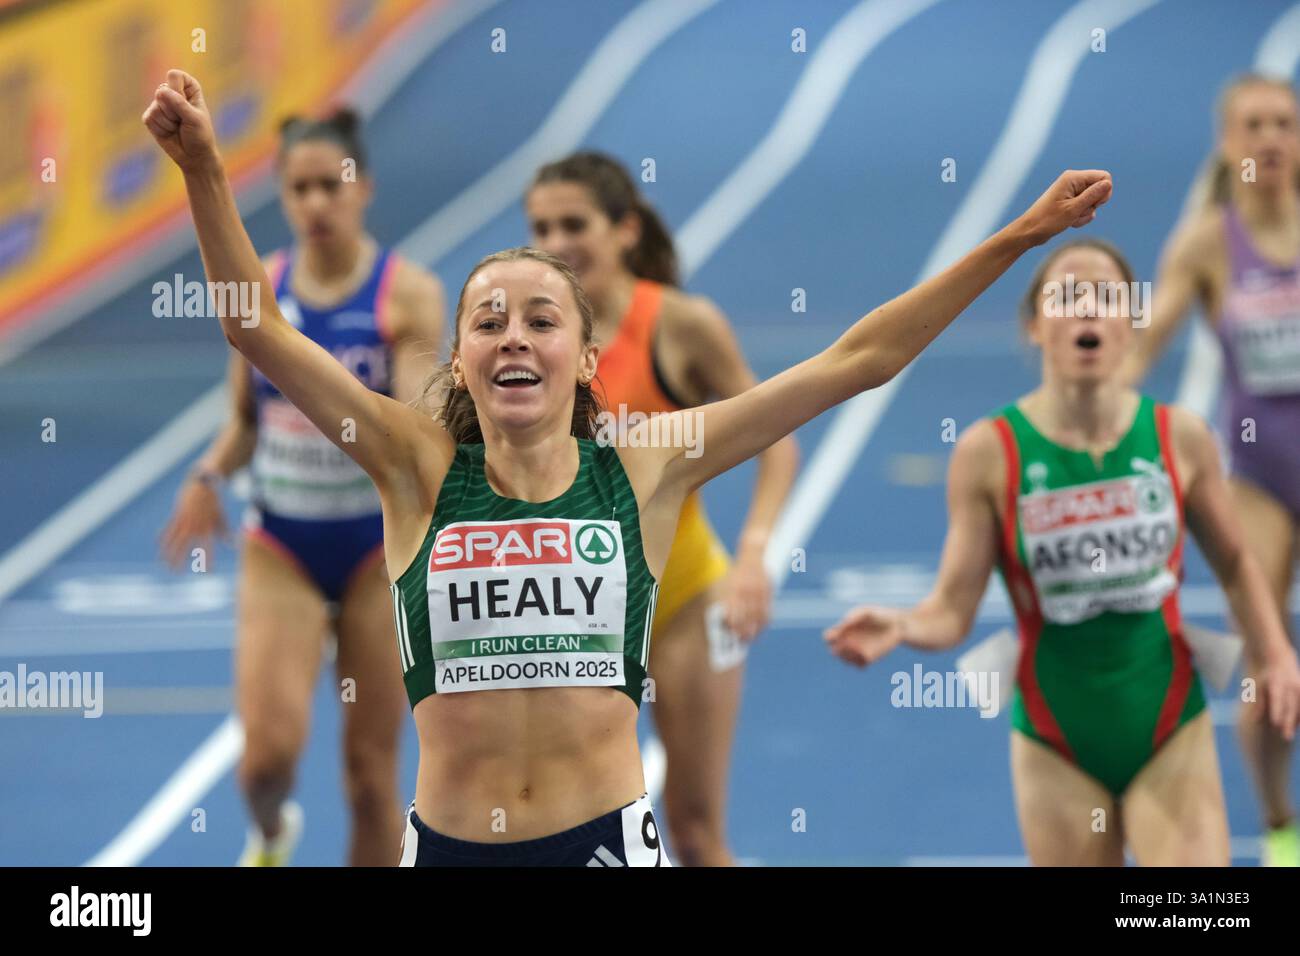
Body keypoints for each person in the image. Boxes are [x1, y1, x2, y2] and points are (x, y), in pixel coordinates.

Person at [144, 67, 1112, 866]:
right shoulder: (414, 465)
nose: (512, 337)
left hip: (605, 844)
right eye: (487, 321)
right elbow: (253, 323)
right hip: (447, 845)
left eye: (539, 319)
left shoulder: (645, 463)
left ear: (586, 356)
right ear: (460, 359)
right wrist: (205, 173)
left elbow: (857, 361)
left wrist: (1018, 238)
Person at [827, 238, 1300, 866]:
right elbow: (952, 611)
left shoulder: (1180, 438)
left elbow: (1238, 563)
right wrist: (904, 622)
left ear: (1131, 327)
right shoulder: (988, 453)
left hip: (1167, 722)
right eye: (1068, 296)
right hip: (1056, 738)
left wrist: (1273, 653)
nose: (1088, 310)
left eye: (1107, 297)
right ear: (1034, 327)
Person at [159, 108, 445, 865]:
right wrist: (207, 473)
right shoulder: (267, 290)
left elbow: (414, 431)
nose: (317, 203)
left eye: (333, 185)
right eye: (300, 189)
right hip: (282, 539)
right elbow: (247, 418)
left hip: (373, 551)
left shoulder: (405, 295)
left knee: (369, 776)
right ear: (282, 198)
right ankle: (272, 833)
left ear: (365, 189)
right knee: (265, 761)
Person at [524, 152, 798, 865]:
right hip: (574, 618)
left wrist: (754, 557)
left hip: (683, 600)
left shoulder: (680, 326)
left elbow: (777, 441)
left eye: (573, 223)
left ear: (625, 229)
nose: (555, 243)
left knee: (696, 833)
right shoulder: (529, 346)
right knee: (570, 833)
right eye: (540, 226)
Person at [1119, 73, 1300, 866]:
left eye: (1285, 125)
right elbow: (1144, 346)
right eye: (1254, 125)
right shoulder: (1205, 241)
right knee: (1266, 662)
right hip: (1261, 477)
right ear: (1228, 144)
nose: (1270, 139)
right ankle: (1279, 820)